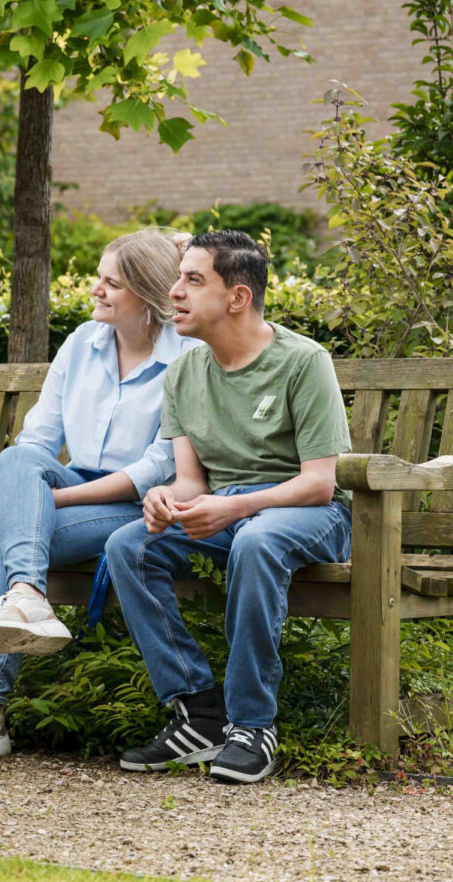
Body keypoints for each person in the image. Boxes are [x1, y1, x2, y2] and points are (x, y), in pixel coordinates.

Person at [0, 230, 201, 762]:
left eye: (112, 282)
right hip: (71, 486)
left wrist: (44, 503)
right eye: (100, 277)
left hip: (137, 507)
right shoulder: (81, 343)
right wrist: (30, 487)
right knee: (18, 460)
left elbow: (157, 468)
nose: (97, 289)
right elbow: (38, 439)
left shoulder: (188, 357)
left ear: (145, 293)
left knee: (19, 536)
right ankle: (28, 597)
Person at [108, 230, 352, 784]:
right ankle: (201, 714)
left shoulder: (303, 362)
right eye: (178, 278)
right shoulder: (185, 373)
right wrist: (165, 497)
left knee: (257, 539)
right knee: (128, 544)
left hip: (312, 515)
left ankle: (253, 724)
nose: (174, 292)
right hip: (232, 509)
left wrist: (233, 510)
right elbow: (193, 481)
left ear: (237, 297)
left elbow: (318, 483)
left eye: (193, 280)